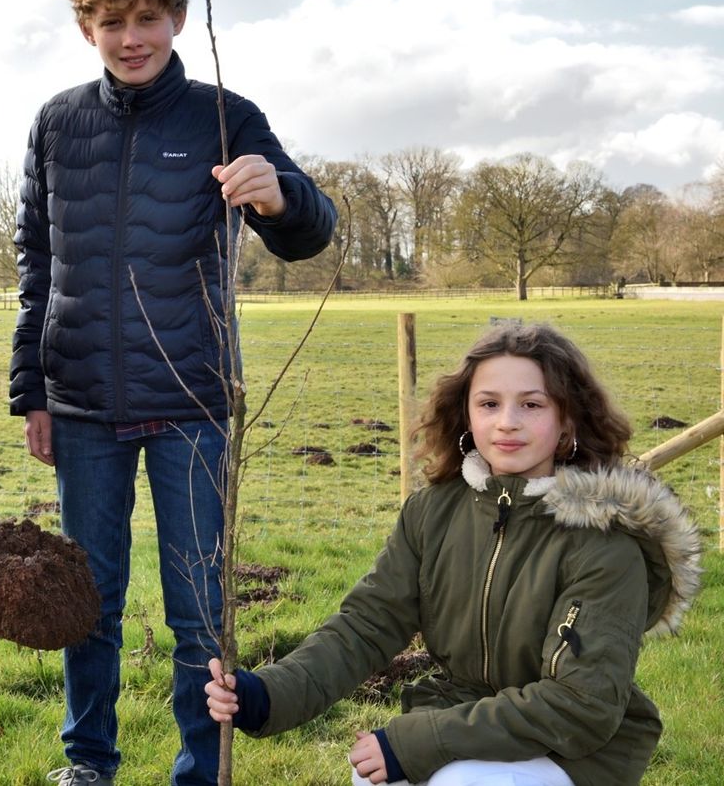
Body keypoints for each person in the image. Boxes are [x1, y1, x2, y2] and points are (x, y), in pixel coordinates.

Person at [11, 0, 336, 786]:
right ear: (87, 26)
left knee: (199, 612)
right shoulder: (55, 122)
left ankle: (202, 770)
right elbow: (35, 264)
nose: (132, 36)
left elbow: (312, 227)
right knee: (92, 605)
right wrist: (31, 391)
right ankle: (88, 763)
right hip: (81, 408)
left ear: (180, 17)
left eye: (149, 17)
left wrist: (282, 197)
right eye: (112, 19)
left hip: (192, 404)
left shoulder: (224, 116)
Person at [204, 323, 702, 786]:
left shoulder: (603, 539)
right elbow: (366, 625)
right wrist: (267, 695)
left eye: (532, 405)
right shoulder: (433, 511)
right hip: (463, 712)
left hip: (574, 748)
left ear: (567, 418)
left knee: (456, 781)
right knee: (376, 778)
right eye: (488, 404)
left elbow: (581, 705)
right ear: (465, 412)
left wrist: (418, 740)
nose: (507, 423)